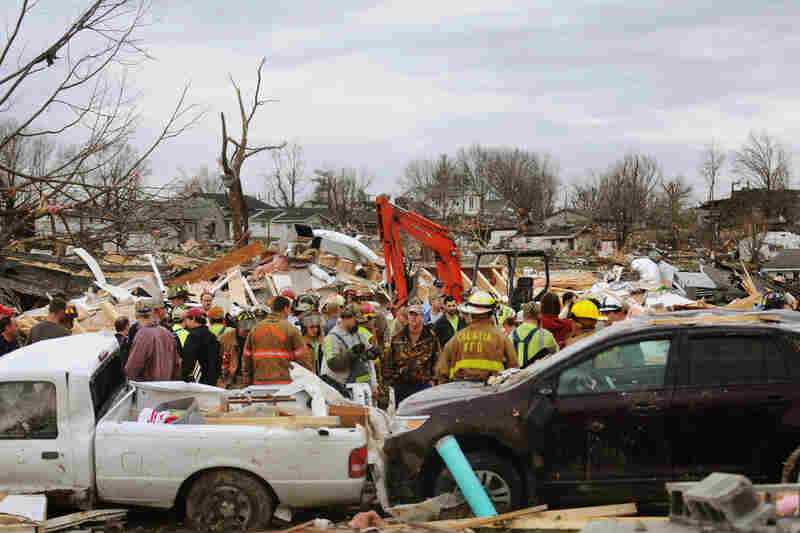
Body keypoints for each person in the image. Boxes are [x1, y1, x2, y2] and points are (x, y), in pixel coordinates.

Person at [434, 291, 518, 383]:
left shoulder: (456, 339)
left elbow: (441, 371)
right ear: (492, 313)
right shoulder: (501, 338)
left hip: (460, 392)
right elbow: (514, 370)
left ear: (471, 314)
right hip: (492, 392)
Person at [242, 295, 312, 385]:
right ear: (286, 309)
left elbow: (246, 357)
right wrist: (310, 379)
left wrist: (247, 380)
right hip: (285, 384)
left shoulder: (255, 329)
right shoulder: (291, 329)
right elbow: (303, 359)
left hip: (260, 383)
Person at [382, 300, 440, 404]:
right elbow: (389, 361)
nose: (413, 317)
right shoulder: (397, 338)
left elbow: (437, 360)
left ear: (422, 318)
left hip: (423, 385)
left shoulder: (431, 338)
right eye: (411, 314)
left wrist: (434, 381)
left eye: (416, 315)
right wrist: (390, 382)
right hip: (401, 386)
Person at [322, 303, 380, 386]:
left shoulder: (359, 334)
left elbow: (368, 363)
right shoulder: (331, 338)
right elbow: (332, 364)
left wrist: (370, 354)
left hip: (361, 386)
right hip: (340, 386)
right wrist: (351, 354)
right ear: (346, 318)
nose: (358, 324)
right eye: (356, 321)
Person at [125, 299, 181, 381]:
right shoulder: (166, 332)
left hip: (150, 389)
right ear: (153, 313)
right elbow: (177, 365)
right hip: (168, 386)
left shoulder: (142, 335)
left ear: (136, 316)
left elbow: (131, 369)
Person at [511, 302, 558, 368]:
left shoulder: (511, 335)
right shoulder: (546, 335)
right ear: (539, 315)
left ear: (524, 315)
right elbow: (557, 356)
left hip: (515, 376)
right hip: (537, 375)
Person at [181, 307, 220, 385]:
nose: (185, 322)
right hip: (212, 378)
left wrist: (184, 377)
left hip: (197, 380)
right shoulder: (212, 335)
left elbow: (188, 359)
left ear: (193, 319)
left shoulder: (193, 336)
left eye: (187, 319)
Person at [219, 310, 256, 388]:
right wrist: (219, 381)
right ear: (237, 325)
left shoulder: (258, 338)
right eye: (244, 326)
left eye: (250, 327)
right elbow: (216, 360)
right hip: (230, 381)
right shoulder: (225, 338)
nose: (247, 330)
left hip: (252, 381)